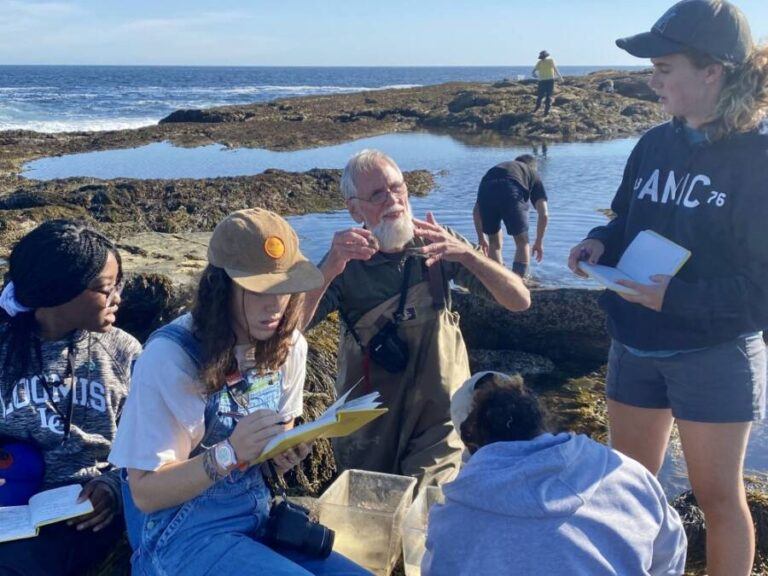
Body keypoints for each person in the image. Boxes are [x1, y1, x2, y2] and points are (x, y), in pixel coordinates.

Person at [567, 1, 768, 574]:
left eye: (663, 68)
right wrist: (599, 242)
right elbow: (626, 219)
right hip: (633, 341)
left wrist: (674, 298)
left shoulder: (758, 160)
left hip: (715, 353)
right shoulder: (655, 143)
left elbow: (761, 291)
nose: (652, 82)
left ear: (714, 71)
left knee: (719, 499)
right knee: (625, 488)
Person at [109, 209, 370, 576]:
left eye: (284, 288)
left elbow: (284, 423)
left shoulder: (289, 345)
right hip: (179, 537)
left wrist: (285, 449)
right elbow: (146, 493)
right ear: (221, 287)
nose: (275, 306)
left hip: (256, 519)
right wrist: (228, 453)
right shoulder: (171, 357)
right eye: (257, 290)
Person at [302, 149, 530, 489]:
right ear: (354, 208)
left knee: (423, 509)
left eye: (398, 188)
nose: (393, 200)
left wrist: (468, 255)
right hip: (371, 430)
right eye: (378, 194)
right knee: (372, 521)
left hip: (440, 421)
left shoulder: (438, 244)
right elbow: (288, 331)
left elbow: (519, 300)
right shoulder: (346, 264)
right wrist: (328, 269)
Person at [422, 371, 687, 576]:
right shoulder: (628, 475)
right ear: (542, 422)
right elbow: (670, 558)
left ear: (472, 445)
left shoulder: (453, 517)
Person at [0, 220, 142, 576]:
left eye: (118, 285)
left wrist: (112, 486)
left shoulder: (123, 352)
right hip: (12, 506)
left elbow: (151, 443)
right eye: (106, 289)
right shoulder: (5, 347)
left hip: (86, 512)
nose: (118, 299)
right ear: (58, 292)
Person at [472, 154, 550, 274]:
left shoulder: (498, 169)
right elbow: (544, 213)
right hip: (511, 189)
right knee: (522, 242)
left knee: (493, 243)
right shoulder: (532, 173)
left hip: (487, 187)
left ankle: (497, 280)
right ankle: (520, 282)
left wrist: (481, 238)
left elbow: (476, 210)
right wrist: (539, 241)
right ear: (533, 167)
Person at [532, 50, 563, 115]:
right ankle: (546, 111)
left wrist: (535, 76)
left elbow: (533, 72)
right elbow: (555, 69)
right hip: (549, 80)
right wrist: (560, 77)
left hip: (542, 80)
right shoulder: (550, 60)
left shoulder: (539, 62)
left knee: (540, 96)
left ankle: (537, 108)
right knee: (548, 95)